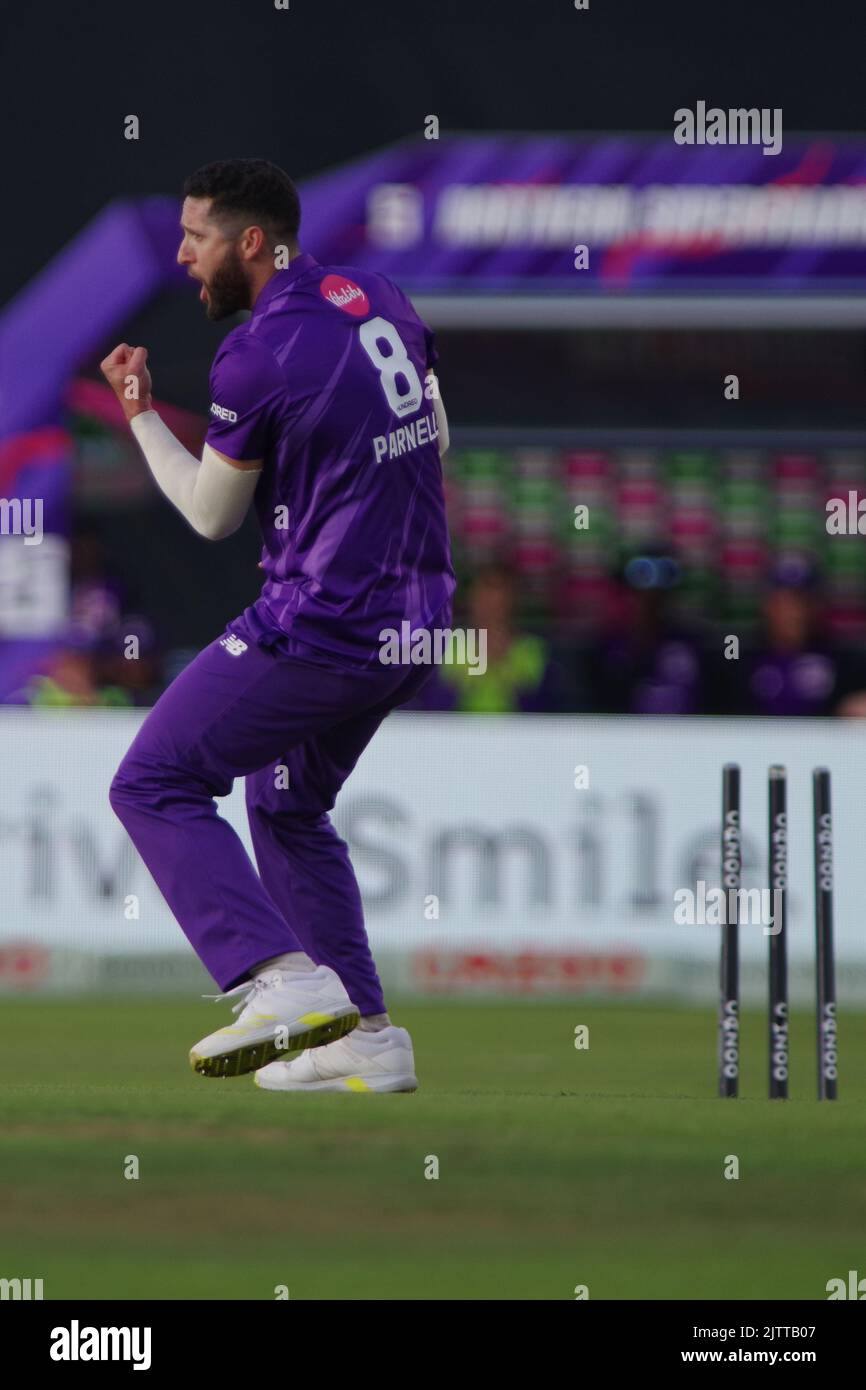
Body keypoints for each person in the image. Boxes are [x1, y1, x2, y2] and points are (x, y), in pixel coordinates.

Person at [101, 159, 454, 1095]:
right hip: (418, 623)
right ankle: (368, 1041)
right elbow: (438, 437)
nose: (182, 256)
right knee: (287, 805)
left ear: (251, 242)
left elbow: (214, 516)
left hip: (323, 624)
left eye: (197, 236)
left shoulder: (256, 353)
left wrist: (139, 415)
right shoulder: (379, 298)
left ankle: (284, 980)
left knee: (153, 780)